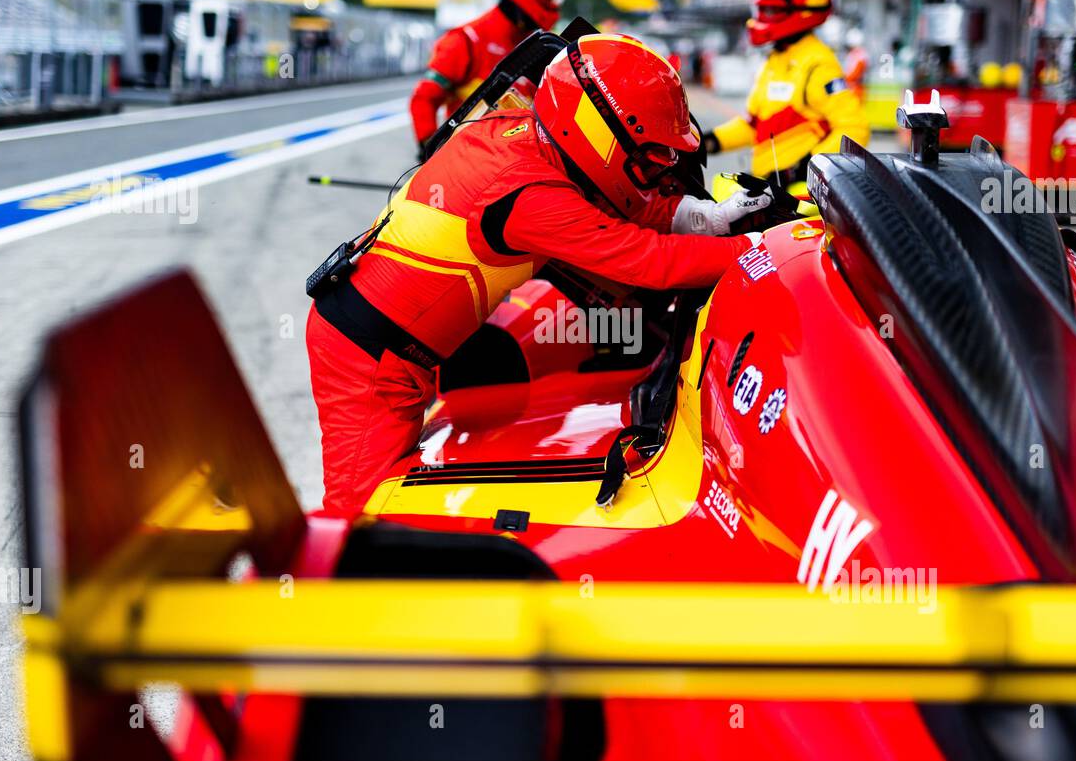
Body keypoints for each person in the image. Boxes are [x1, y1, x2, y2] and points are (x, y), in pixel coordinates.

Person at [308, 33, 774, 517]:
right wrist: (759, 249)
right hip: (369, 361)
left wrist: (706, 218)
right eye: (647, 158)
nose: (655, 172)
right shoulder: (531, 198)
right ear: (597, 133)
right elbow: (648, 261)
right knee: (358, 524)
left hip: (391, 342)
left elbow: (618, 205)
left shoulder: (519, 129)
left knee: (390, 510)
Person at [703, 0, 869, 195]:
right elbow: (754, 125)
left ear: (802, 12)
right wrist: (708, 142)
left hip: (800, 196)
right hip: (773, 188)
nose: (761, 17)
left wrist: (806, 169)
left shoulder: (817, 63)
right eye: (760, 10)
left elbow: (854, 128)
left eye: (770, 10)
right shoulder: (776, 60)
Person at [409, 0, 573, 156]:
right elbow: (423, 99)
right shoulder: (466, 41)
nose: (553, 5)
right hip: (469, 168)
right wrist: (431, 152)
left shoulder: (545, 48)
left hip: (521, 166)